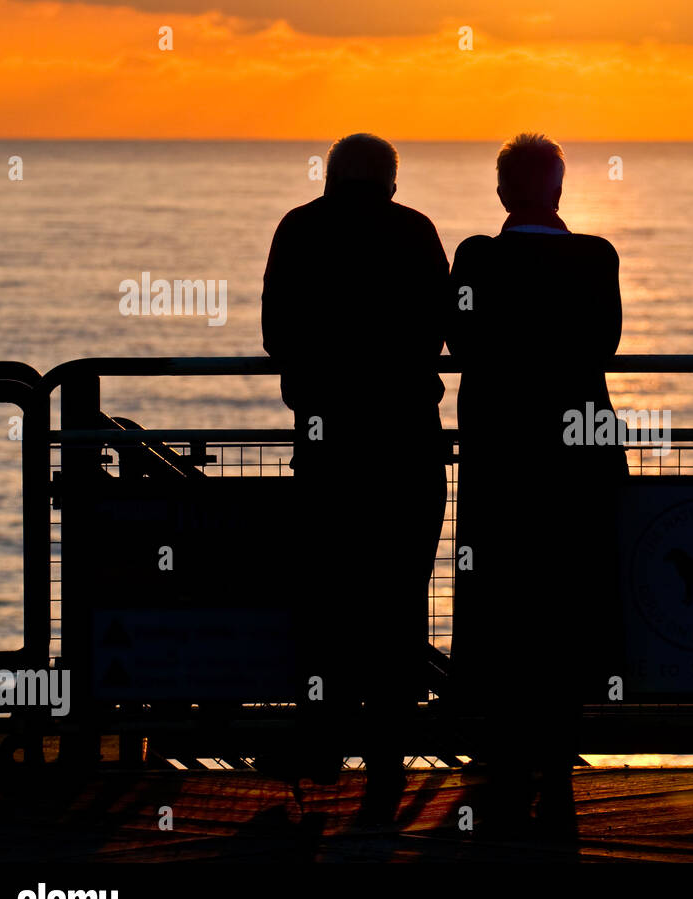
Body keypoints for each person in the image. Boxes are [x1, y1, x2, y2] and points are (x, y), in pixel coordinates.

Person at [260, 133, 450, 819]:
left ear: (331, 175)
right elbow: (442, 327)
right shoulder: (417, 231)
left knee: (326, 602)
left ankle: (320, 744)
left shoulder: (300, 227)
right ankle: (388, 761)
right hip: (406, 443)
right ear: (393, 182)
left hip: (328, 444)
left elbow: (276, 332)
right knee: (398, 603)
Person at [448, 132, 626, 838]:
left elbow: (459, 339)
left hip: (501, 461)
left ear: (501, 192)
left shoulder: (475, 257)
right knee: (570, 605)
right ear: (558, 189)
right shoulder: (595, 255)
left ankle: (505, 755)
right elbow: (603, 343)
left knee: (501, 607)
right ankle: (557, 764)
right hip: (577, 460)